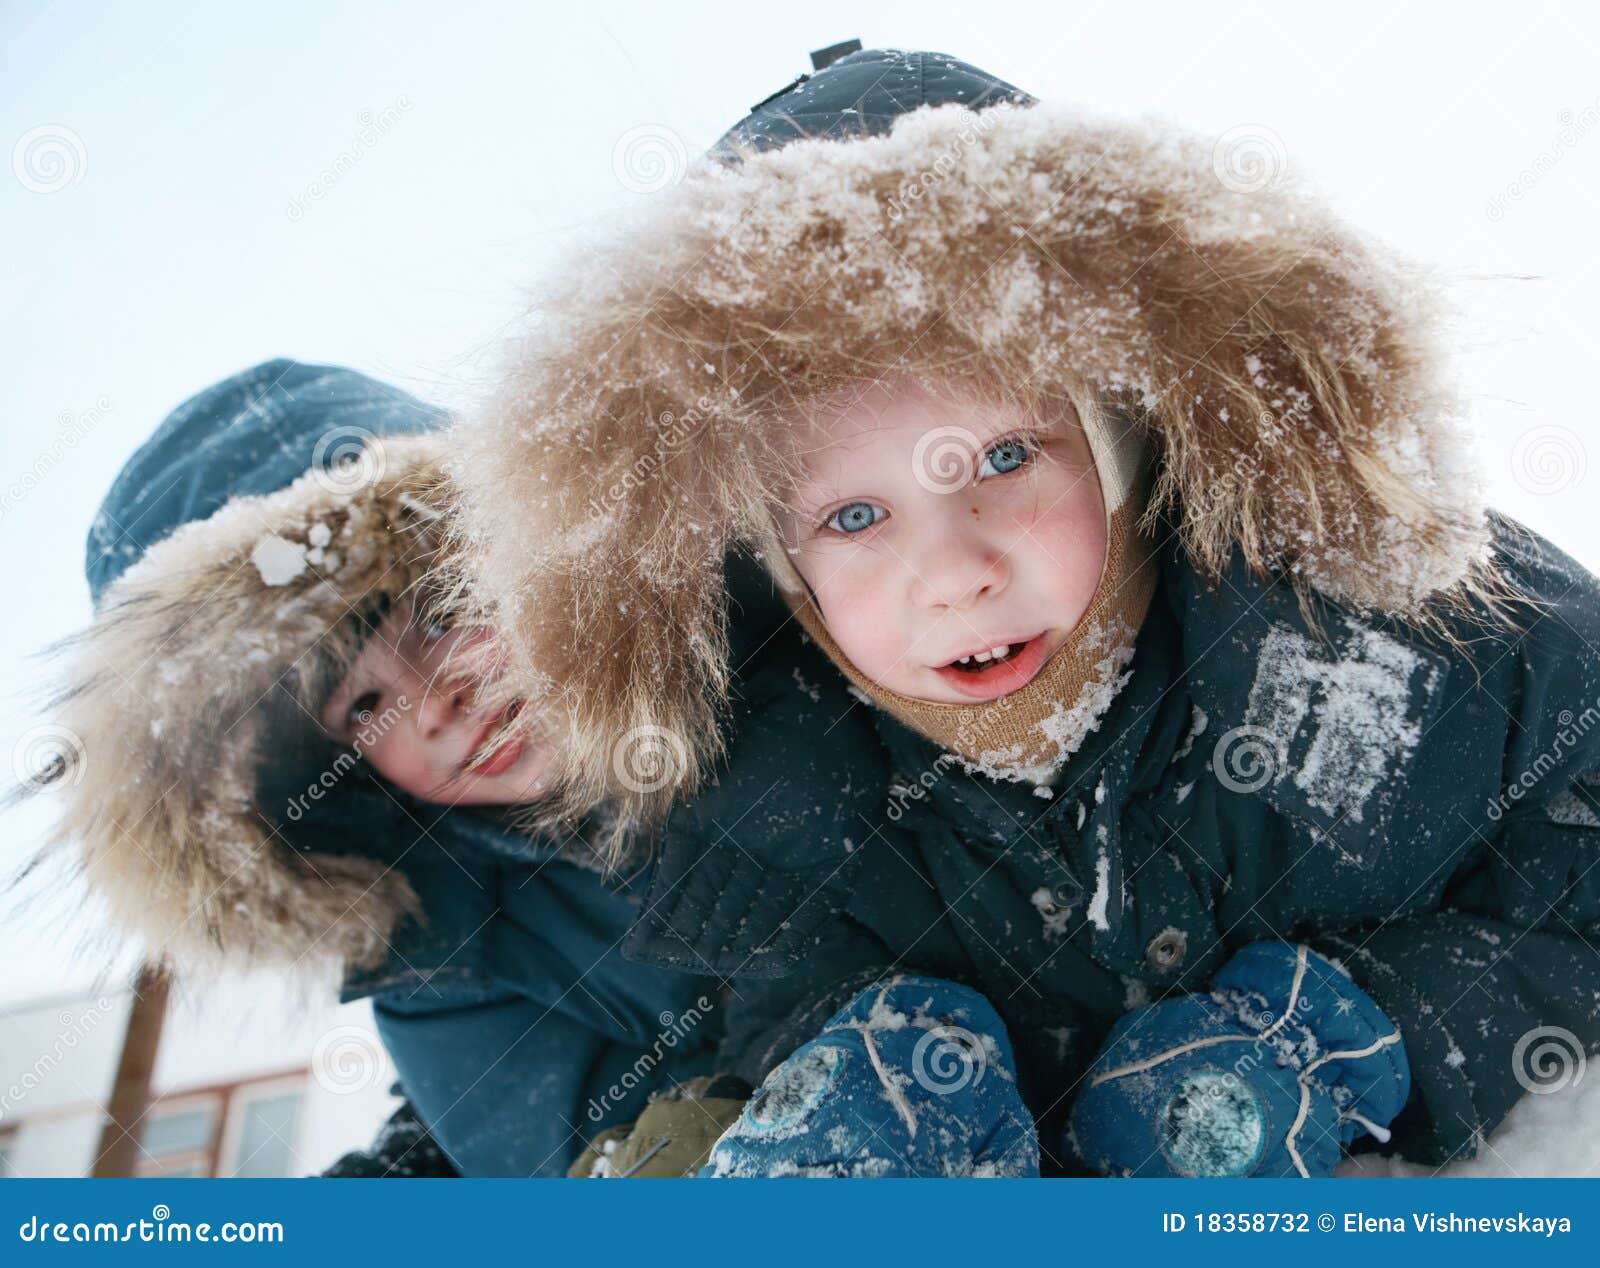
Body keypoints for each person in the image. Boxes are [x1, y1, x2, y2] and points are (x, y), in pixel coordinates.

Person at [450, 44, 1600, 1176]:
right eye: (853, 518)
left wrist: (1368, 1027)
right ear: (773, 577)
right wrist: (852, 1061)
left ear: (1127, 436)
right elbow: (764, 1008)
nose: (950, 571)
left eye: (1002, 455)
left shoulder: (1393, 623)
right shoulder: (776, 819)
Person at [26, 359, 718, 1176]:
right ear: (336, 772)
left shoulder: (763, 650)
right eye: (363, 705)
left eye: (442, 614)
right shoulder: (443, 960)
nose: (434, 703)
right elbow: (595, 1162)